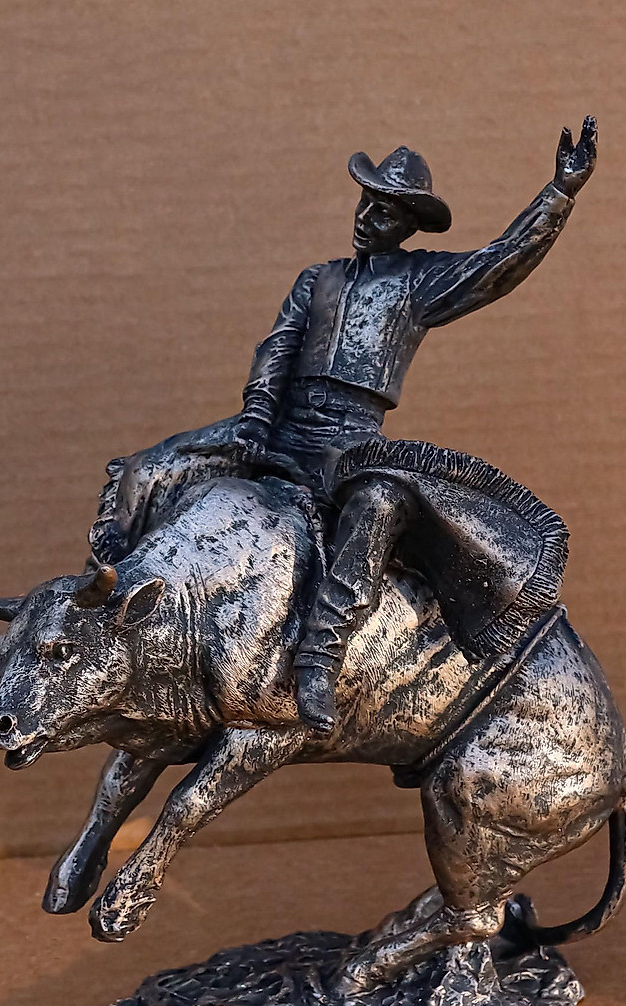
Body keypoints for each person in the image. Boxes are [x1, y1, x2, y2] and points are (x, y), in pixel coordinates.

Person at [225, 119, 599, 733]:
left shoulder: (419, 281)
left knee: (378, 502)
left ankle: (319, 655)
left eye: (385, 212)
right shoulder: (317, 279)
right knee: (158, 468)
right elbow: (276, 352)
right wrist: (254, 421)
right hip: (279, 424)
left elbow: (499, 263)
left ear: (408, 226)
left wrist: (559, 192)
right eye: (365, 202)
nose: (367, 218)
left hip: (347, 442)